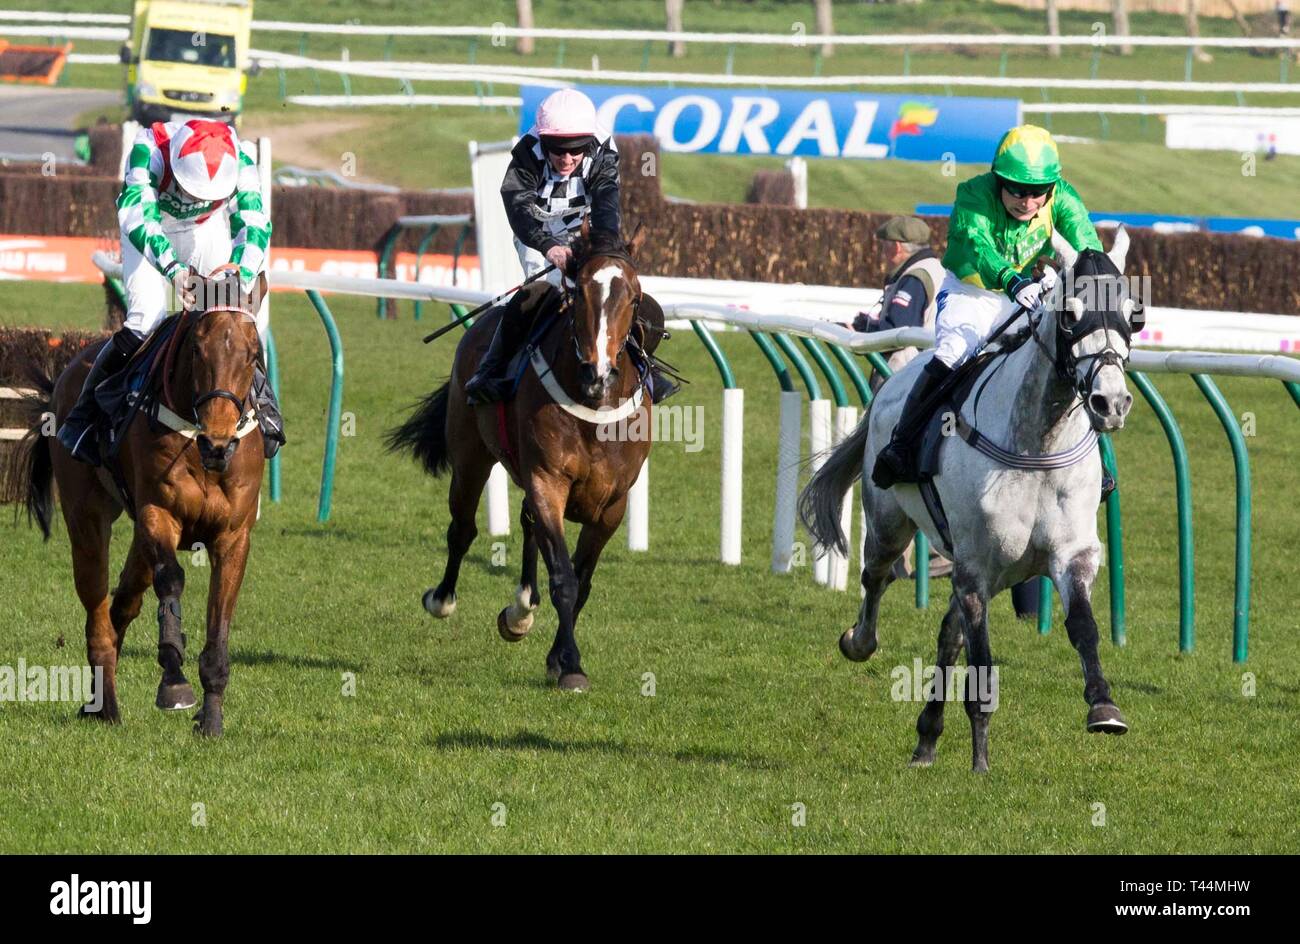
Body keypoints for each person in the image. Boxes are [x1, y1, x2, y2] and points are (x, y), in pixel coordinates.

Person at [871, 124, 1102, 489]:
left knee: (1070, 358)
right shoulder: (973, 194)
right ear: (998, 180)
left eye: (1038, 192)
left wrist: (1095, 275)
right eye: (1017, 191)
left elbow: (1088, 246)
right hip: (971, 292)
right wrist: (1011, 279)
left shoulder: (1063, 198)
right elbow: (978, 245)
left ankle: (1096, 461)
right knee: (954, 352)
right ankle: (902, 444)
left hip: (1028, 292)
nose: (1028, 202)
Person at [58, 118, 283, 465]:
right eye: (191, 189)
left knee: (236, 325)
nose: (195, 198)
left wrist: (241, 271)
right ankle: (83, 417)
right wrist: (175, 272)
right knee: (146, 319)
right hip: (149, 231)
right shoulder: (150, 148)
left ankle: (265, 407)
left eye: (205, 194)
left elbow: (254, 224)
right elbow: (138, 218)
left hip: (203, 233)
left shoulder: (240, 159)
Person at [464, 87, 677, 405]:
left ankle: (644, 366)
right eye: (558, 151)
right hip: (537, 232)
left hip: (586, 230)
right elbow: (519, 211)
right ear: (544, 142)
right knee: (536, 294)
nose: (566, 159)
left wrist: (602, 249)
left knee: (614, 292)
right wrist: (549, 246)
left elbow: (606, 204)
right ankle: (489, 370)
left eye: (575, 151)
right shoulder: (526, 154)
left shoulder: (604, 149)